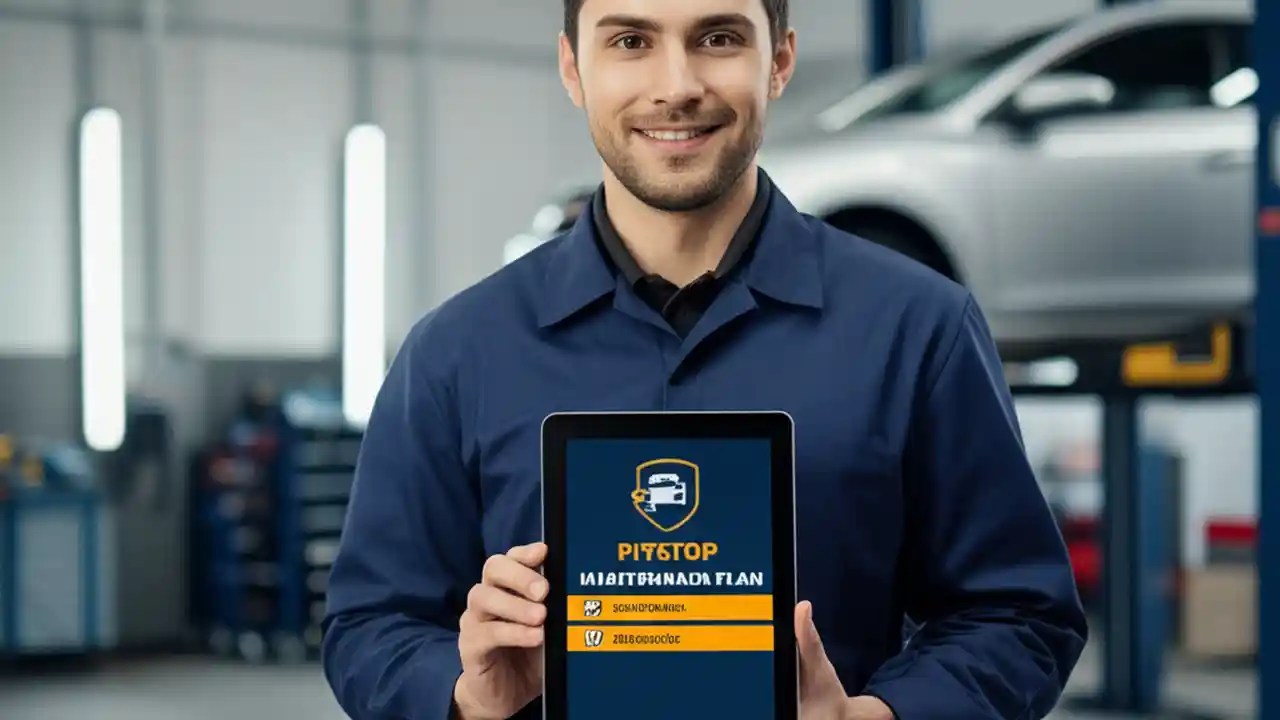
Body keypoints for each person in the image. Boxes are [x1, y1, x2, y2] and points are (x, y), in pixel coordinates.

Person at [321, 0, 1089, 717]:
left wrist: (880, 716)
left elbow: (1019, 613)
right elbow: (370, 623)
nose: (677, 86)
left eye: (718, 38)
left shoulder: (917, 330)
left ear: (778, 61)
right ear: (573, 69)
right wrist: (464, 697)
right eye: (630, 41)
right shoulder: (459, 352)